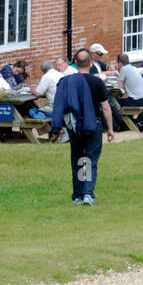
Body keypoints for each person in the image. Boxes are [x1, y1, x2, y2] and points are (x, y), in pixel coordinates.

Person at [49, 49, 114, 206]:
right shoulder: (97, 82)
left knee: (78, 159)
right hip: (93, 124)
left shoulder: (69, 81)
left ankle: (78, 194)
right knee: (90, 159)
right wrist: (110, 128)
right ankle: (88, 194)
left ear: (75, 63)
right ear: (91, 63)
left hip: (75, 125)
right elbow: (105, 107)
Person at [114, 52, 143, 132]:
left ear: (120, 63)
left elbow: (119, 87)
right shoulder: (133, 68)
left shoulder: (123, 69)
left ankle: (127, 123)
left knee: (116, 103)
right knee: (126, 101)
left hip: (137, 100)